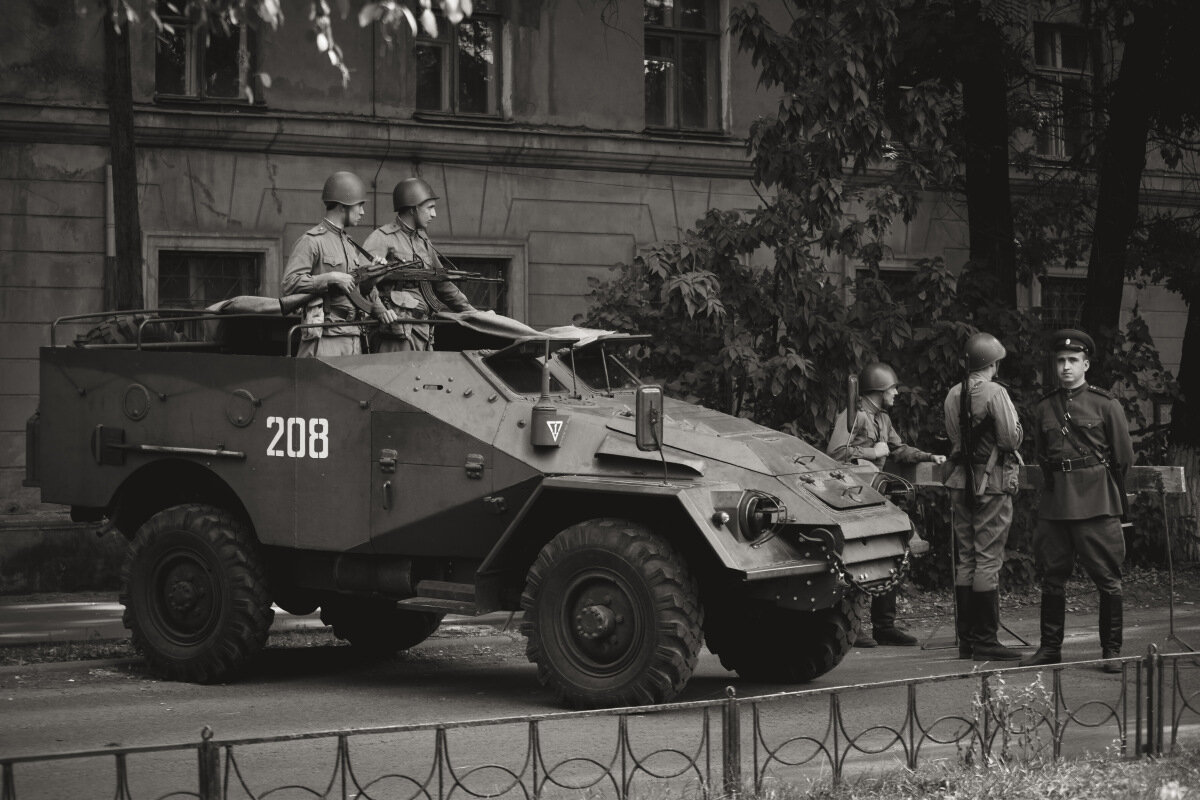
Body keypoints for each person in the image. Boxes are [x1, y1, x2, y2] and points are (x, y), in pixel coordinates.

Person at [1020, 329, 1134, 673]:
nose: (1066, 366)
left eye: (1073, 360)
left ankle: (1111, 650)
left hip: (1096, 503)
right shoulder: (1044, 408)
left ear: (1086, 364)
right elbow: (1042, 455)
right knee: (1052, 578)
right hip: (1056, 505)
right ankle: (1050, 648)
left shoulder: (1106, 404)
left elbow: (1123, 457)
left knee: (1107, 578)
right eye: (1060, 361)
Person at [828, 362, 946, 647]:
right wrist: (872, 451)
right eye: (893, 389)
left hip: (877, 497)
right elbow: (834, 452)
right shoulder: (852, 416)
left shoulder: (882, 419)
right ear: (880, 389)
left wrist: (928, 456)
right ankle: (851, 627)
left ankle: (884, 625)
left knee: (889, 553)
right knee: (857, 558)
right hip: (853, 500)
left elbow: (899, 449)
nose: (896, 393)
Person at [942, 332, 1025, 662]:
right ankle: (986, 640)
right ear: (992, 363)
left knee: (967, 557)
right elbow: (1009, 439)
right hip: (990, 483)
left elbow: (953, 437)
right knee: (988, 557)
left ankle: (967, 640)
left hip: (961, 481)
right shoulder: (995, 393)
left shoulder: (952, 394)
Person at [362, 177, 476, 352]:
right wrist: (382, 311)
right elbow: (362, 281)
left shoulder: (423, 240)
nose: (434, 214)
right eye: (430, 208)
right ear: (414, 208)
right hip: (397, 331)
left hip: (423, 330)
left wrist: (473, 313)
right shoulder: (382, 238)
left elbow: (443, 283)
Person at [280, 171, 386, 357]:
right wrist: (329, 278)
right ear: (343, 206)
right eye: (359, 205)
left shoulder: (349, 243)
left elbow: (356, 291)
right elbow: (289, 283)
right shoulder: (312, 241)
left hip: (353, 335)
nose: (362, 212)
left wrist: (373, 277)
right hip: (325, 336)